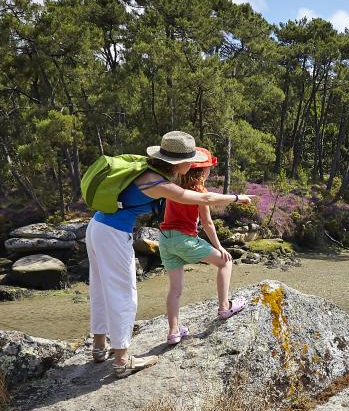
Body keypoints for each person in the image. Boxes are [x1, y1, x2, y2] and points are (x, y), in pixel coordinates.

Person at [85, 131, 252, 378]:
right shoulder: (158, 183)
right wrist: (237, 197)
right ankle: (121, 360)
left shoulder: (148, 169)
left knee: (100, 287)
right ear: (179, 163)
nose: (192, 164)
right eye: (190, 159)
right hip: (113, 232)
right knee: (124, 293)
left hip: (97, 226)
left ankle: (100, 347)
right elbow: (204, 198)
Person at [158, 151, 246, 345]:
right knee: (225, 262)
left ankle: (173, 332)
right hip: (185, 240)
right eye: (208, 169)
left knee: (175, 289)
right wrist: (220, 247)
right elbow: (207, 223)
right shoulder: (199, 191)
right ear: (202, 171)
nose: (209, 172)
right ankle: (224, 307)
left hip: (165, 240)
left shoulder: (174, 187)